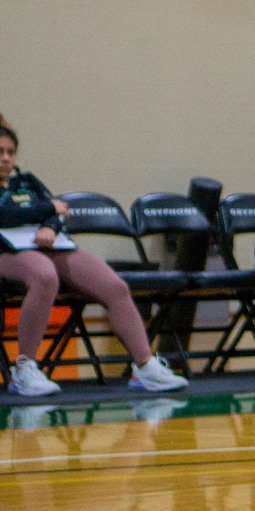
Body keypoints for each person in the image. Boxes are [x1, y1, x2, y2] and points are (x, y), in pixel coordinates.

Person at [0, 122, 186, 396]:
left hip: (52, 245)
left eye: (10, 152)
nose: (5, 158)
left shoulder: (27, 181)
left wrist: (51, 224)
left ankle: (145, 367)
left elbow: (58, 211)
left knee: (114, 286)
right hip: (8, 252)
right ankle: (24, 369)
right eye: (0, 151)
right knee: (44, 275)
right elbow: (8, 216)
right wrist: (46, 209)